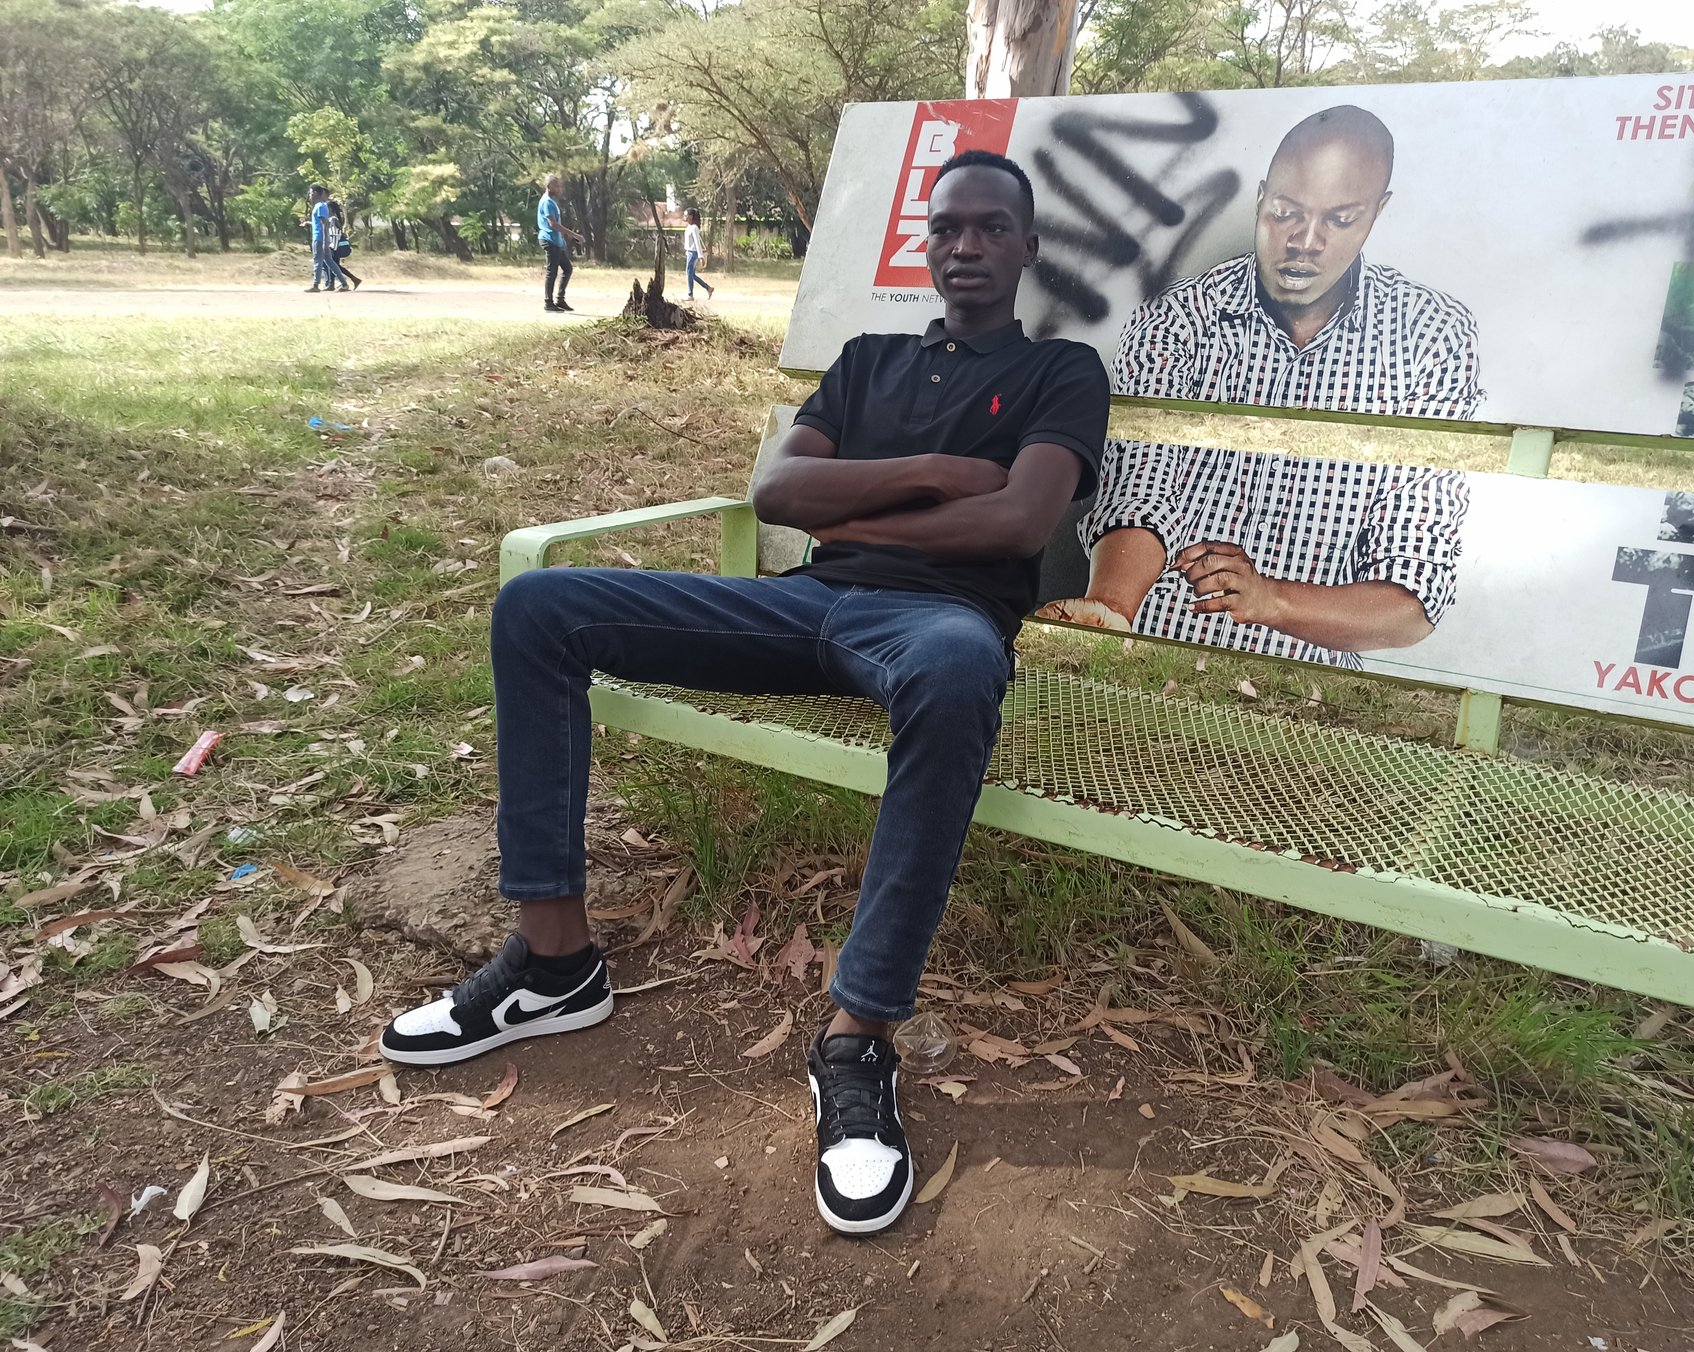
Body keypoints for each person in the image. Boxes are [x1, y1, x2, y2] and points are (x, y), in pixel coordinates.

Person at [380, 149, 1110, 1237]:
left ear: (1028, 247)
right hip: (799, 605)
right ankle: (554, 961)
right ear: (926, 244)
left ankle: (856, 1040)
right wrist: (933, 475)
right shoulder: (867, 361)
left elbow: (1016, 523)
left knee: (961, 670)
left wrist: (852, 508)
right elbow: (778, 492)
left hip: (935, 623)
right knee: (538, 606)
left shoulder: (1062, 372)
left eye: (991, 228)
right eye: (947, 227)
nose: (966, 246)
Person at [1037, 106, 1474, 664]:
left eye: (1341, 220)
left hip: (1300, 689)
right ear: (1261, 198)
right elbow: (1140, 491)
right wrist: (1112, 608)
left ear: (1378, 212)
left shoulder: (1431, 337)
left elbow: (1413, 599)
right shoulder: (1180, 319)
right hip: (1142, 656)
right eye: (1285, 213)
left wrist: (1269, 600)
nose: (1305, 241)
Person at [538, 175, 585, 313]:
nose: (559, 188)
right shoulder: (547, 202)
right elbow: (553, 224)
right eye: (556, 186)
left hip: (556, 241)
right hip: (549, 240)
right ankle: (548, 303)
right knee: (552, 272)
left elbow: (556, 224)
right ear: (548, 186)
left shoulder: (552, 201)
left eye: (559, 185)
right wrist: (574, 235)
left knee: (567, 268)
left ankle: (560, 300)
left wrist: (562, 240)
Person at [303, 184, 336, 293]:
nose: (310, 195)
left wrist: (325, 240)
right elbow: (319, 224)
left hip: (319, 238)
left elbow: (324, 224)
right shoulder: (320, 206)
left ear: (316, 193)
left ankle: (316, 285)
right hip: (320, 237)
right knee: (328, 261)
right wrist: (309, 223)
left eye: (311, 193)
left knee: (318, 261)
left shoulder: (320, 206)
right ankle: (342, 282)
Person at [327, 200, 361, 291]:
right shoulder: (332, 219)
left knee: (334, 265)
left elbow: (335, 234)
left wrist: (332, 247)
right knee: (335, 265)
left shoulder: (333, 219)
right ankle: (334, 283)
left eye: (327, 208)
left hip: (335, 246)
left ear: (331, 209)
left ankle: (345, 282)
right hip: (335, 246)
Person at [683, 207, 714, 301]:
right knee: (691, 274)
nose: (684, 216)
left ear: (691, 216)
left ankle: (690, 294)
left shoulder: (694, 228)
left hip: (693, 253)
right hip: (689, 252)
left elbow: (697, 242)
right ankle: (708, 288)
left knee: (689, 273)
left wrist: (701, 256)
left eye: (686, 215)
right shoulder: (689, 227)